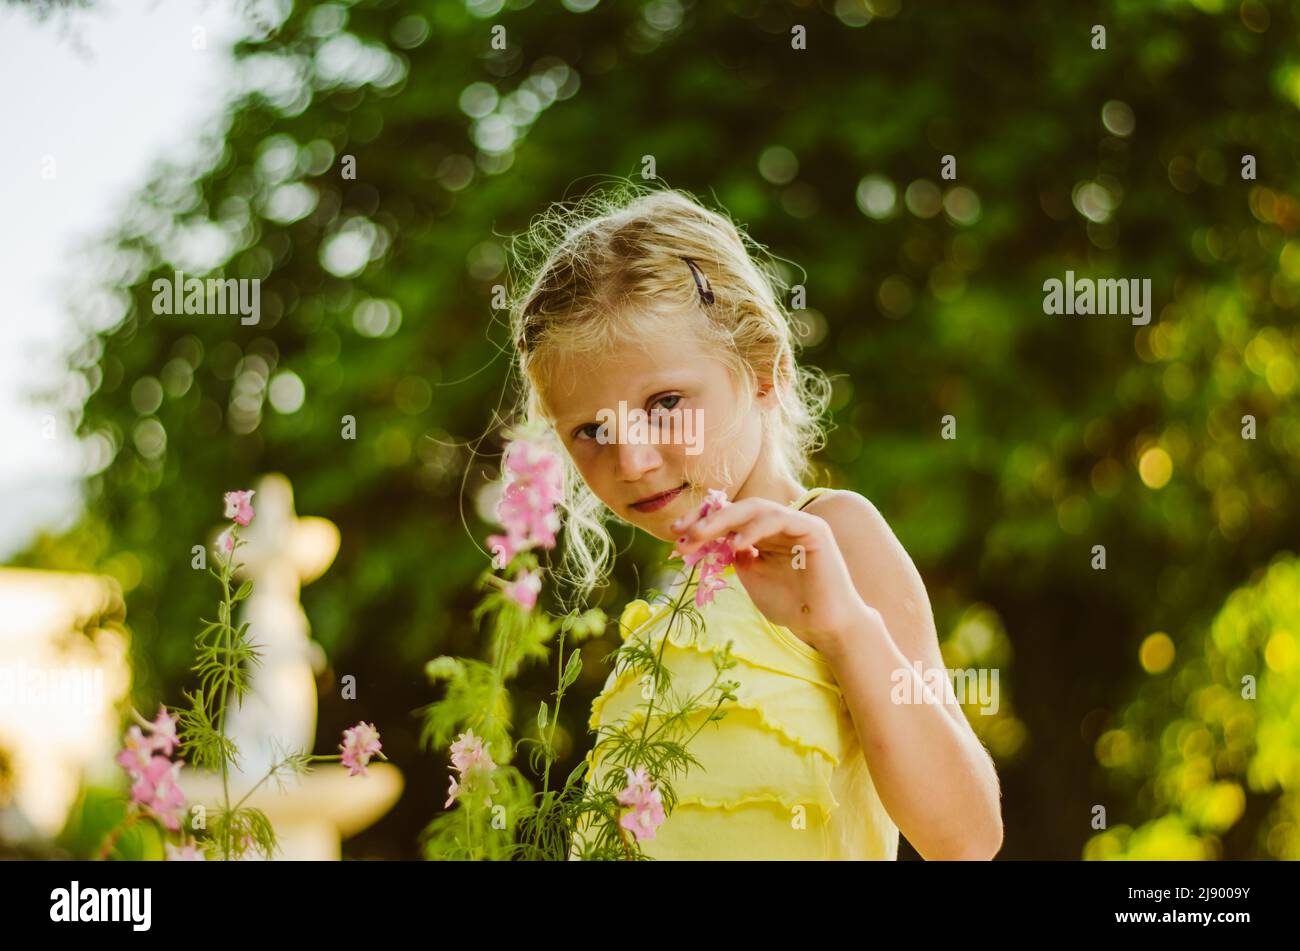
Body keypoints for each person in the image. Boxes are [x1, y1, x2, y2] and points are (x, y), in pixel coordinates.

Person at [506, 183, 1002, 860]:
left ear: (767, 371)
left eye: (666, 401)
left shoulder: (835, 537)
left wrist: (846, 626)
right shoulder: (667, 609)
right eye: (591, 429)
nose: (634, 459)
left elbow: (967, 837)